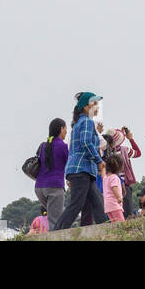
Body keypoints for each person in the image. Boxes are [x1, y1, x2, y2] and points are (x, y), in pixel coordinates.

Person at [54, 91, 109, 230]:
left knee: (98, 203)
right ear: (86, 107)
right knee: (76, 204)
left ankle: (107, 230)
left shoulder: (79, 123)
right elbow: (86, 143)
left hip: (83, 170)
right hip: (81, 169)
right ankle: (56, 233)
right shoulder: (86, 122)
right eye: (94, 104)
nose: (97, 107)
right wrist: (98, 160)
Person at [34, 118, 69, 230]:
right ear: (61, 129)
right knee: (55, 223)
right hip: (54, 187)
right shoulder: (63, 146)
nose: (66, 131)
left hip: (39, 188)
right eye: (65, 128)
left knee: (53, 217)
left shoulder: (43, 146)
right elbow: (69, 164)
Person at [107, 124, 141, 217]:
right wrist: (130, 138)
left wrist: (121, 132)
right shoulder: (124, 150)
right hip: (124, 185)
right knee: (127, 213)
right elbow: (138, 153)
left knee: (114, 213)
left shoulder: (106, 153)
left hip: (111, 186)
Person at [103, 152, 126, 222]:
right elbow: (114, 187)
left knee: (114, 224)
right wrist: (118, 197)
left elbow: (103, 173)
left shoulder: (105, 178)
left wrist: (103, 168)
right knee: (121, 223)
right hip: (114, 205)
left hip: (107, 206)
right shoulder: (114, 177)